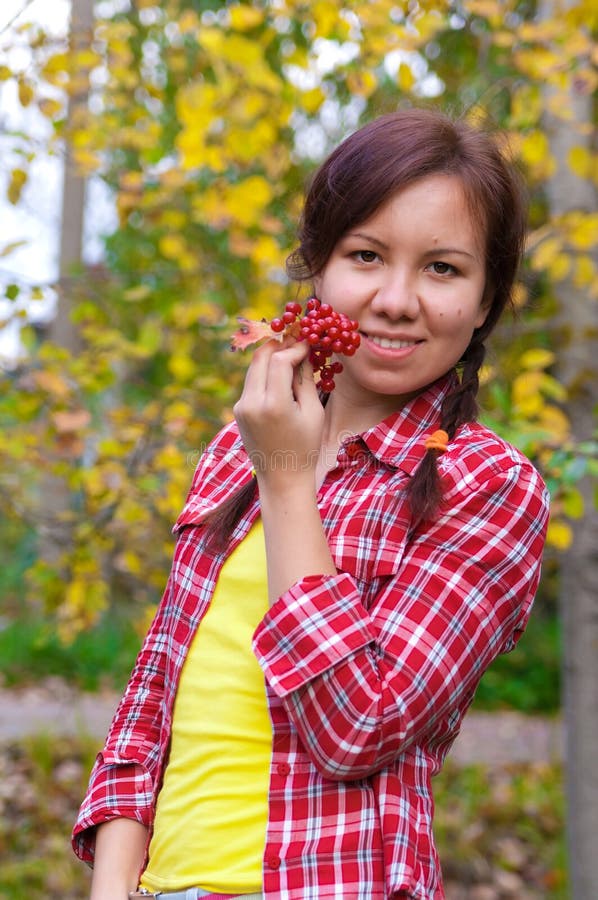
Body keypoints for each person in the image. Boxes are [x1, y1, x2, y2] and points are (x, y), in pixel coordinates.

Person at [73, 107, 550, 900]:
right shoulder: (236, 451)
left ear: (485, 300)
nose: (397, 300)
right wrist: (114, 884)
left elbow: (357, 728)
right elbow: (153, 700)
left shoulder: (487, 486)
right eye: (367, 255)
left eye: (442, 269)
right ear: (316, 268)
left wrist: (288, 479)